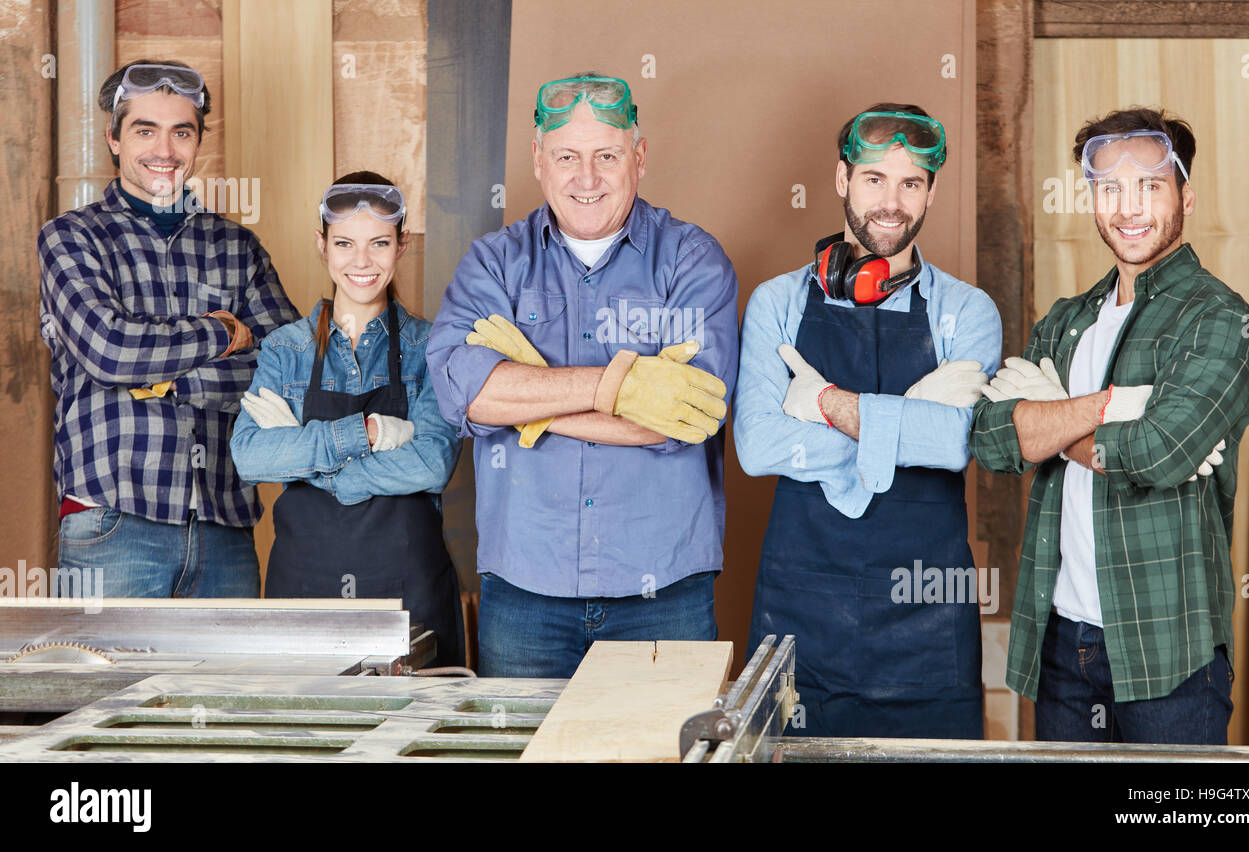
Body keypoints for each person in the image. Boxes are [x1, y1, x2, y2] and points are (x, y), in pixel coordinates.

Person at [969, 107, 1249, 744]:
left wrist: (1049, 413)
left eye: (1149, 187)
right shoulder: (1067, 319)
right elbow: (993, 438)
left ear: (1185, 194)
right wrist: (1111, 406)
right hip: (1063, 641)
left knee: (1170, 818)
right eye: (1109, 189)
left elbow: (1158, 454)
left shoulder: (1220, 321)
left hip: (1169, 646)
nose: (1128, 208)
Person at [426, 73, 739, 678]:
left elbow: (686, 415)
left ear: (639, 158)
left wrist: (528, 397)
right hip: (524, 593)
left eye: (607, 156)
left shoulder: (692, 259)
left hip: (664, 593)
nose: (586, 177)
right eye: (567, 156)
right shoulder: (493, 263)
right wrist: (613, 387)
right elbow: (461, 393)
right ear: (538, 160)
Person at [734, 104, 1002, 739]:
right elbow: (758, 445)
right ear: (840, 179)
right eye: (874, 179)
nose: (891, 201)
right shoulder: (777, 301)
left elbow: (956, 444)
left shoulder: (968, 310)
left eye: (911, 183)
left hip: (928, 617)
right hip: (802, 604)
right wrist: (905, 427)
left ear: (932, 190)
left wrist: (826, 404)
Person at [37, 60, 299, 598]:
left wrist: (178, 383)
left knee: (229, 687)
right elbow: (110, 351)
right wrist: (221, 334)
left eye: (182, 131)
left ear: (199, 140)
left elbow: (290, 370)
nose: (166, 149)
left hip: (226, 529)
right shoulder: (71, 238)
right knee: (106, 685)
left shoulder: (238, 248)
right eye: (144, 130)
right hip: (112, 524)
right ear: (113, 137)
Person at [231, 173, 464, 665]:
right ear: (322, 245)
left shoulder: (433, 347)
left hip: (411, 595)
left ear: (401, 245)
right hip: (303, 590)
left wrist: (311, 461)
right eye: (344, 243)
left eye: (379, 243)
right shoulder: (286, 350)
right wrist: (367, 431)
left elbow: (431, 464)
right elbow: (250, 457)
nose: (362, 262)